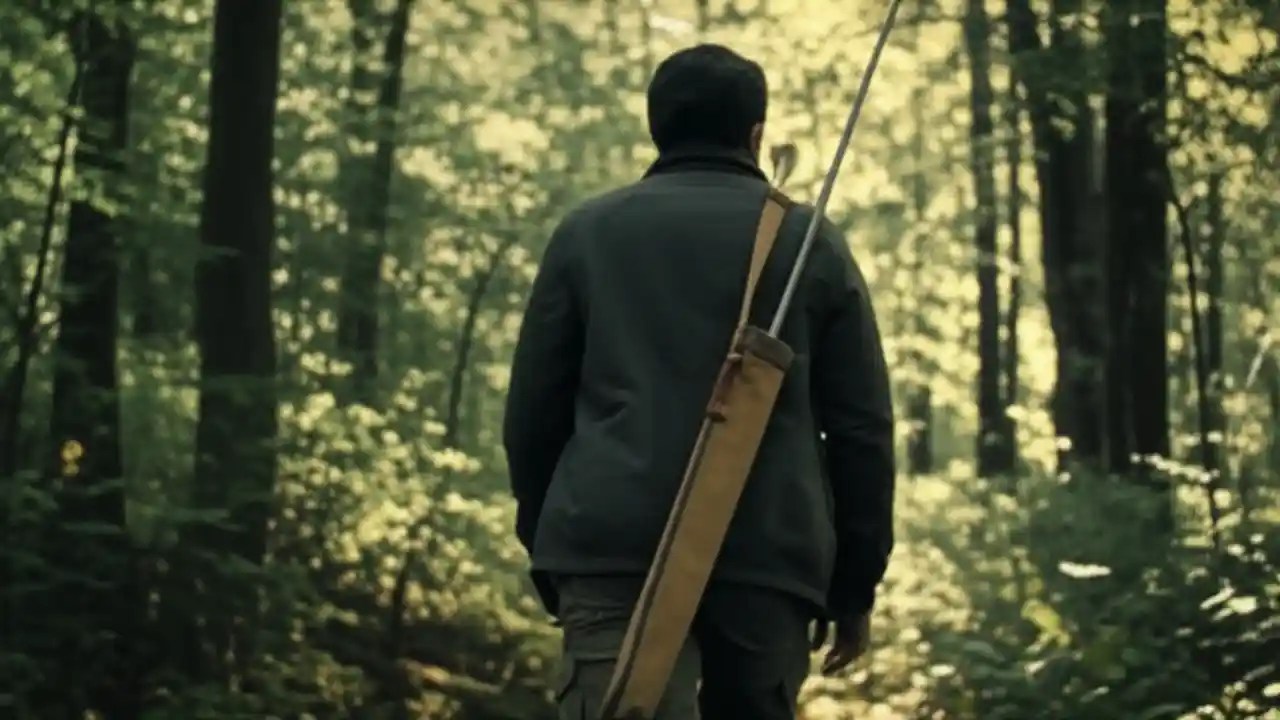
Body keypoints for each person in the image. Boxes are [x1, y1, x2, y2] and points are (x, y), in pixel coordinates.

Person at [502, 43, 895, 720]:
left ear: (657, 128)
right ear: (755, 135)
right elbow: (861, 429)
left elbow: (533, 417)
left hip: (612, 553)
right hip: (767, 562)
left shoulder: (588, 234)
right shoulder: (808, 240)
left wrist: (557, 549)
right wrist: (855, 583)